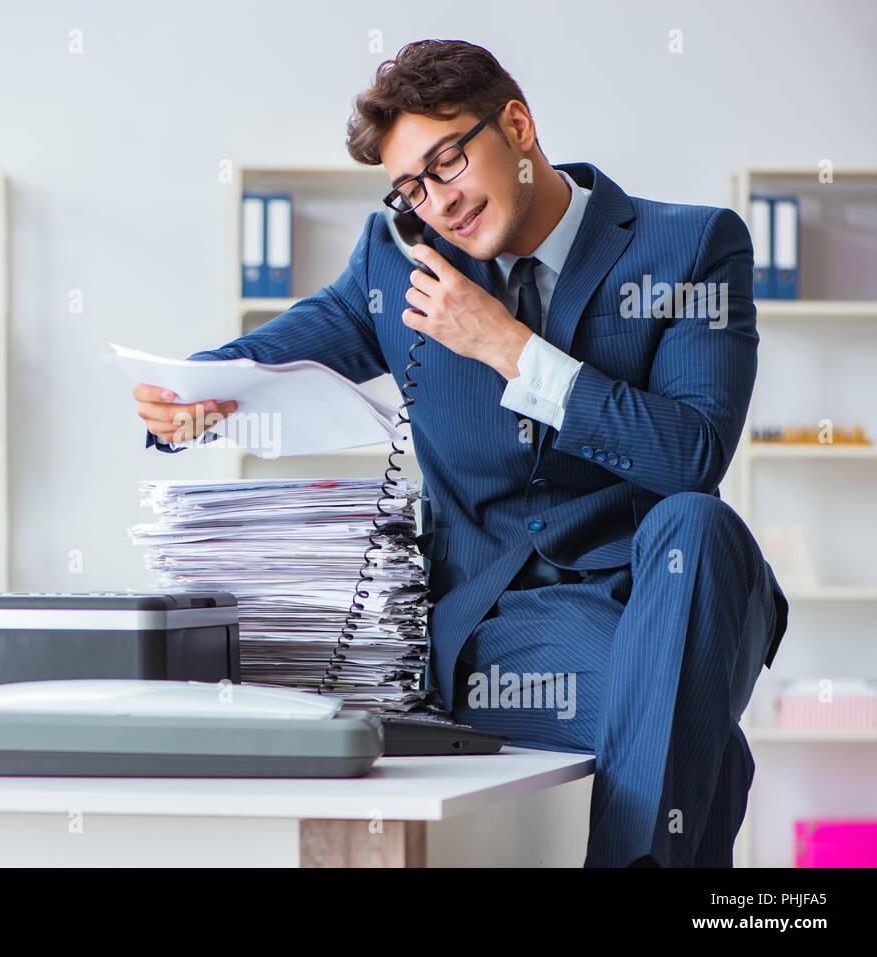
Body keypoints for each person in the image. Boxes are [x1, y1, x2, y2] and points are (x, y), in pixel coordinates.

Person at [133, 38, 787, 868]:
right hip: (511, 624)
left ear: (516, 126)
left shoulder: (691, 247)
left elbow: (694, 453)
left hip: (681, 590)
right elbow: (284, 350)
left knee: (698, 524)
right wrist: (185, 396)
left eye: (447, 164)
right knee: (693, 735)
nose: (435, 203)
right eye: (411, 187)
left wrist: (512, 348)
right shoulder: (398, 260)